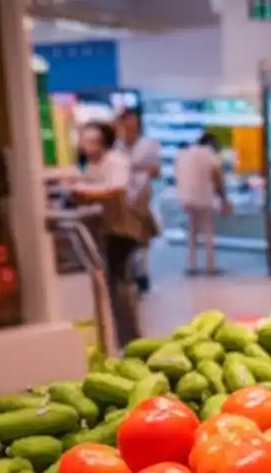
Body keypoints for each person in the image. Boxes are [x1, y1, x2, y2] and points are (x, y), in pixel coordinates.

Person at [70, 122, 141, 347]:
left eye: (92, 141)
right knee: (111, 281)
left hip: (123, 228)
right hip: (105, 228)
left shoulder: (115, 161)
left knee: (119, 281)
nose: (87, 146)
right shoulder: (90, 165)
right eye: (85, 141)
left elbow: (116, 189)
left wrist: (84, 193)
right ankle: (117, 336)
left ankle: (130, 337)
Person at [116, 110, 161, 293]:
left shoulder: (148, 144)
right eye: (126, 121)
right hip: (121, 197)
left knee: (142, 236)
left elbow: (157, 171)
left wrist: (135, 167)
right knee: (126, 236)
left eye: (133, 121)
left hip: (142, 196)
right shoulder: (115, 146)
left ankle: (141, 273)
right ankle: (131, 271)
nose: (130, 125)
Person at [174, 132, 230, 275]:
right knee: (208, 232)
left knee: (192, 232)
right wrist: (224, 199)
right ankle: (210, 266)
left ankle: (192, 266)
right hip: (204, 197)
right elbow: (217, 178)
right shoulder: (209, 154)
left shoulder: (184, 153)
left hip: (186, 197)